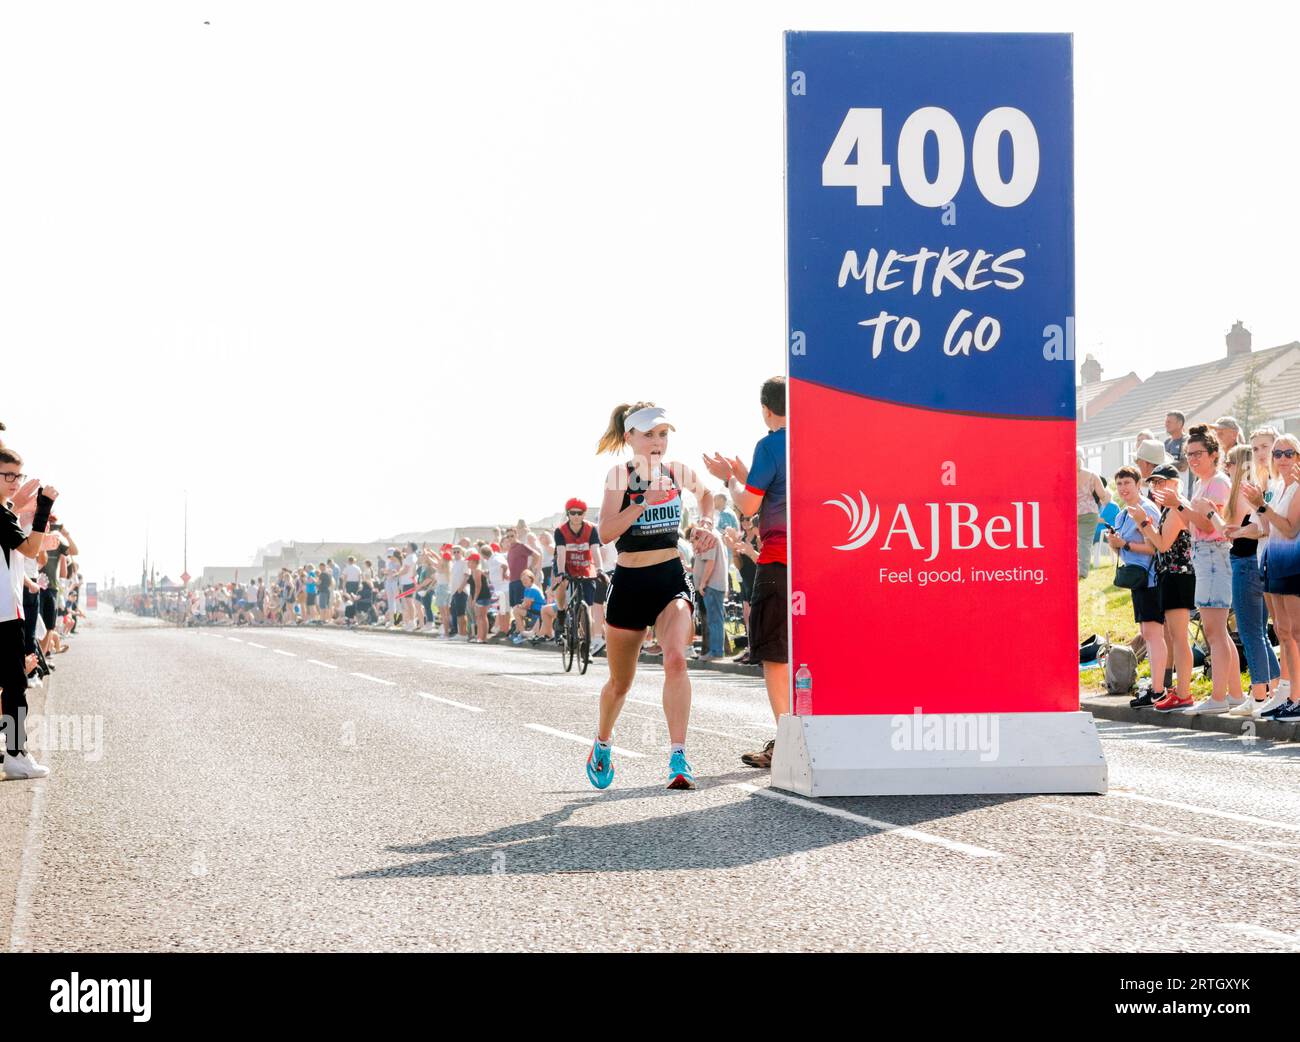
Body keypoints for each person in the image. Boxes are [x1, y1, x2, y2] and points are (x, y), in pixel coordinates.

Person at [587, 402, 719, 792]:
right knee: (619, 684)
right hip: (629, 582)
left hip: (669, 577)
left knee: (676, 659)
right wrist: (643, 502)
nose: (658, 442)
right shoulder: (619, 476)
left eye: (663, 434)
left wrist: (706, 523)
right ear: (629, 438)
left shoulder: (678, 472)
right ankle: (602, 743)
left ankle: (678, 755)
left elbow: (707, 494)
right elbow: (606, 532)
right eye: (649, 434)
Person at [704, 376, 788, 769]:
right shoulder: (817, 439)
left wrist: (731, 478)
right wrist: (743, 473)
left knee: (775, 654)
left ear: (766, 409)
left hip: (779, 559)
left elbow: (750, 505)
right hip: (819, 563)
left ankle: (787, 739)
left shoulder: (770, 443)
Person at [0, 451, 55, 778]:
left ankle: (15, 752)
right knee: (15, 685)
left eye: (17, 476)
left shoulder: (4, 512)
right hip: (5, 615)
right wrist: (43, 508)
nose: (14, 483)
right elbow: (31, 550)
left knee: (11, 684)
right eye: (7, 475)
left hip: (9, 610)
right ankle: (17, 755)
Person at [1219, 444, 1281, 715]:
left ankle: (1258, 695)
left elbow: (1255, 529)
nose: (1226, 469)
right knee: (1261, 633)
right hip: (1258, 564)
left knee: (1249, 631)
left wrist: (1232, 529)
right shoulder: (1257, 491)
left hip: (1246, 564)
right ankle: (1277, 690)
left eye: (1229, 464)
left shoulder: (1244, 492)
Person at [1242, 434, 1300, 720]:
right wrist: (1253, 511)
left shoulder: (1298, 487)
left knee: (1297, 632)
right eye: (1278, 454)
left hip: (1293, 564)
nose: (1283, 458)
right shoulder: (1277, 487)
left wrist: (1263, 507)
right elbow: (1267, 526)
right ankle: (1291, 695)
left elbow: (1289, 529)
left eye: (1290, 453)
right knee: (1283, 632)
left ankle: (1297, 697)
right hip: (1273, 563)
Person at [1131, 463, 1195, 712]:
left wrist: (1142, 522)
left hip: (1179, 576)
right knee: (1174, 636)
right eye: (1154, 483)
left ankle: (1184, 693)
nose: (1157, 487)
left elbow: (1162, 544)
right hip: (1170, 576)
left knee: (1180, 638)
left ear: (1175, 484)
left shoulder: (1177, 509)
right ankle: (1178, 691)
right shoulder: (1168, 510)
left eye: (1161, 482)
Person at [1112, 467, 1167, 709]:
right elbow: (1123, 549)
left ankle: (1159, 690)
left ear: (1138, 484)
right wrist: (1116, 544)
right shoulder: (1122, 514)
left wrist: (1125, 544)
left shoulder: (1147, 508)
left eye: (1127, 483)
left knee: (1154, 634)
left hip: (1152, 578)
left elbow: (1154, 547)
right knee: (1147, 633)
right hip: (1137, 580)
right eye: (1119, 484)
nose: (1123, 488)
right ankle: (1156, 688)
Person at [553, 497, 602, 656]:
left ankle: (585, 645)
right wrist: (561, 572)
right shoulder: (560, 531)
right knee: (562, 584)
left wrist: (600, 569)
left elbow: (595, 551)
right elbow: (561, 553)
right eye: (572, 513)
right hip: (565, 564)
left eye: (579, 513)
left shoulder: (591, 529)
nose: (575, 516)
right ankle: (561, 613)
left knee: (586, 607)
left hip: (584, 565)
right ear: (568, 514)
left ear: (584, 514)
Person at [1076, 450, 1110, 579]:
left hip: (1072, 512)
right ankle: (1082, 572)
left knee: (1073, 542)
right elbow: (1102, 495)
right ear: (1083, 458)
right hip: (1090, 512)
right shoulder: (1092, 474)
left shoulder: (1065, 474)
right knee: (1085, 542)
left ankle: (1073, 568)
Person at [1164, 410, 1192, 497]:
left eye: (1169, 422)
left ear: (1180, 424)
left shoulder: (1188, 440)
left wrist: (1165, 466)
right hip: (1170, 490)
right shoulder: (1167, 442)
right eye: (1166, 422)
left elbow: (1183, 465)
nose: (1166, 424)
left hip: (1186, 492)